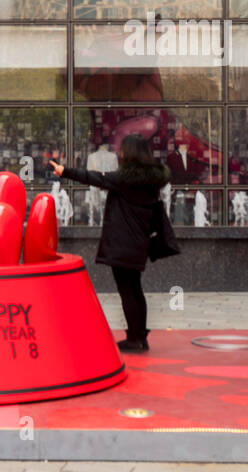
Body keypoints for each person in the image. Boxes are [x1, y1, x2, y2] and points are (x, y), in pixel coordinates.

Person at [51, 134, 179, 351]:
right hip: (139, 243)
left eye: (123, 150)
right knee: (135, 290)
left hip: (122, 244)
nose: (120, 154)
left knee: (127, 292)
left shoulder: (125, 180)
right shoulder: (151, 181)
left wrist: (65, 171)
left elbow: (94, 177)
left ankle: (134, 339)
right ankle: (139, 337)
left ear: (130, 154)